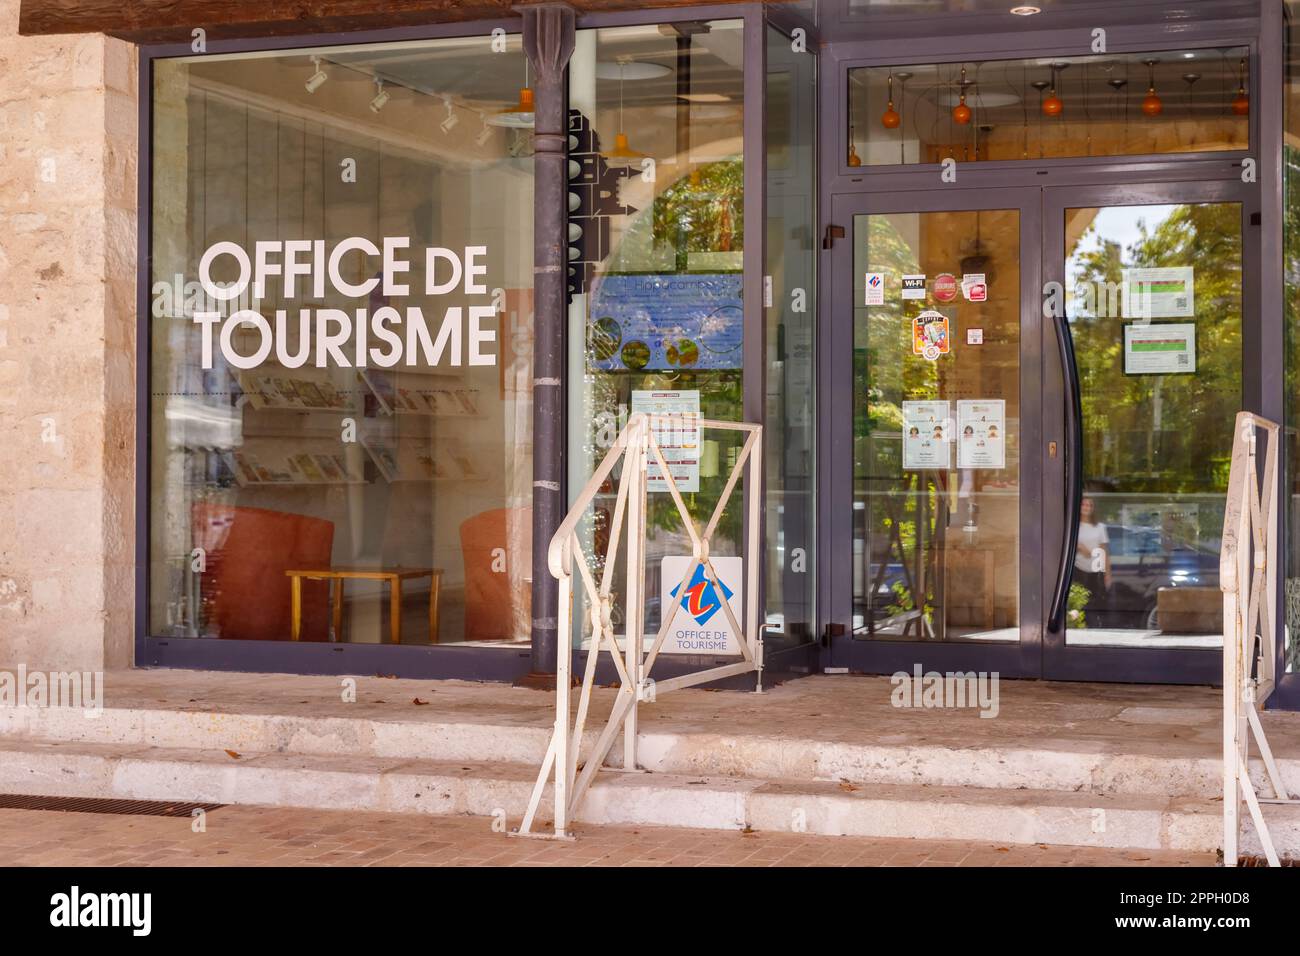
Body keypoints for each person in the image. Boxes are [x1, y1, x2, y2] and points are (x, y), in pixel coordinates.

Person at [1074, 495, 1111, 628]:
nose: (1087, 508)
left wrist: (1107, 574)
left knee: (1095, 603)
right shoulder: (1074, 526)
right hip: (1077, 569)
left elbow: (1104, 552)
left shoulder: (1100, 527)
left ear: (1093, 508)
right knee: (1079, 602)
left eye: (1090, 505)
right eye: (1084, 505)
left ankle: (1095, 628)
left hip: (1095, 570)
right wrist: (1079, 547)